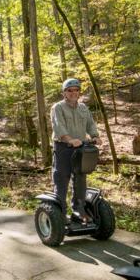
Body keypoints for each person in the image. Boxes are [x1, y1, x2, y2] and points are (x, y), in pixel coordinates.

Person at [50, 78, 100, 222]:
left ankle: (79, 210)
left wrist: (95, 136)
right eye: (69, 90)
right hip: (63, 148)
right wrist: (69, 139)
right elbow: (58, 126)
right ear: (64, 93)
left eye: (76, 90)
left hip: (81, 148)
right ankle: (61, 213)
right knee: (62, 180)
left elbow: (90, 123)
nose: (73, 93)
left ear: (79, 92)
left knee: (80, 179)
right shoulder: (58, 107)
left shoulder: (83, 108)